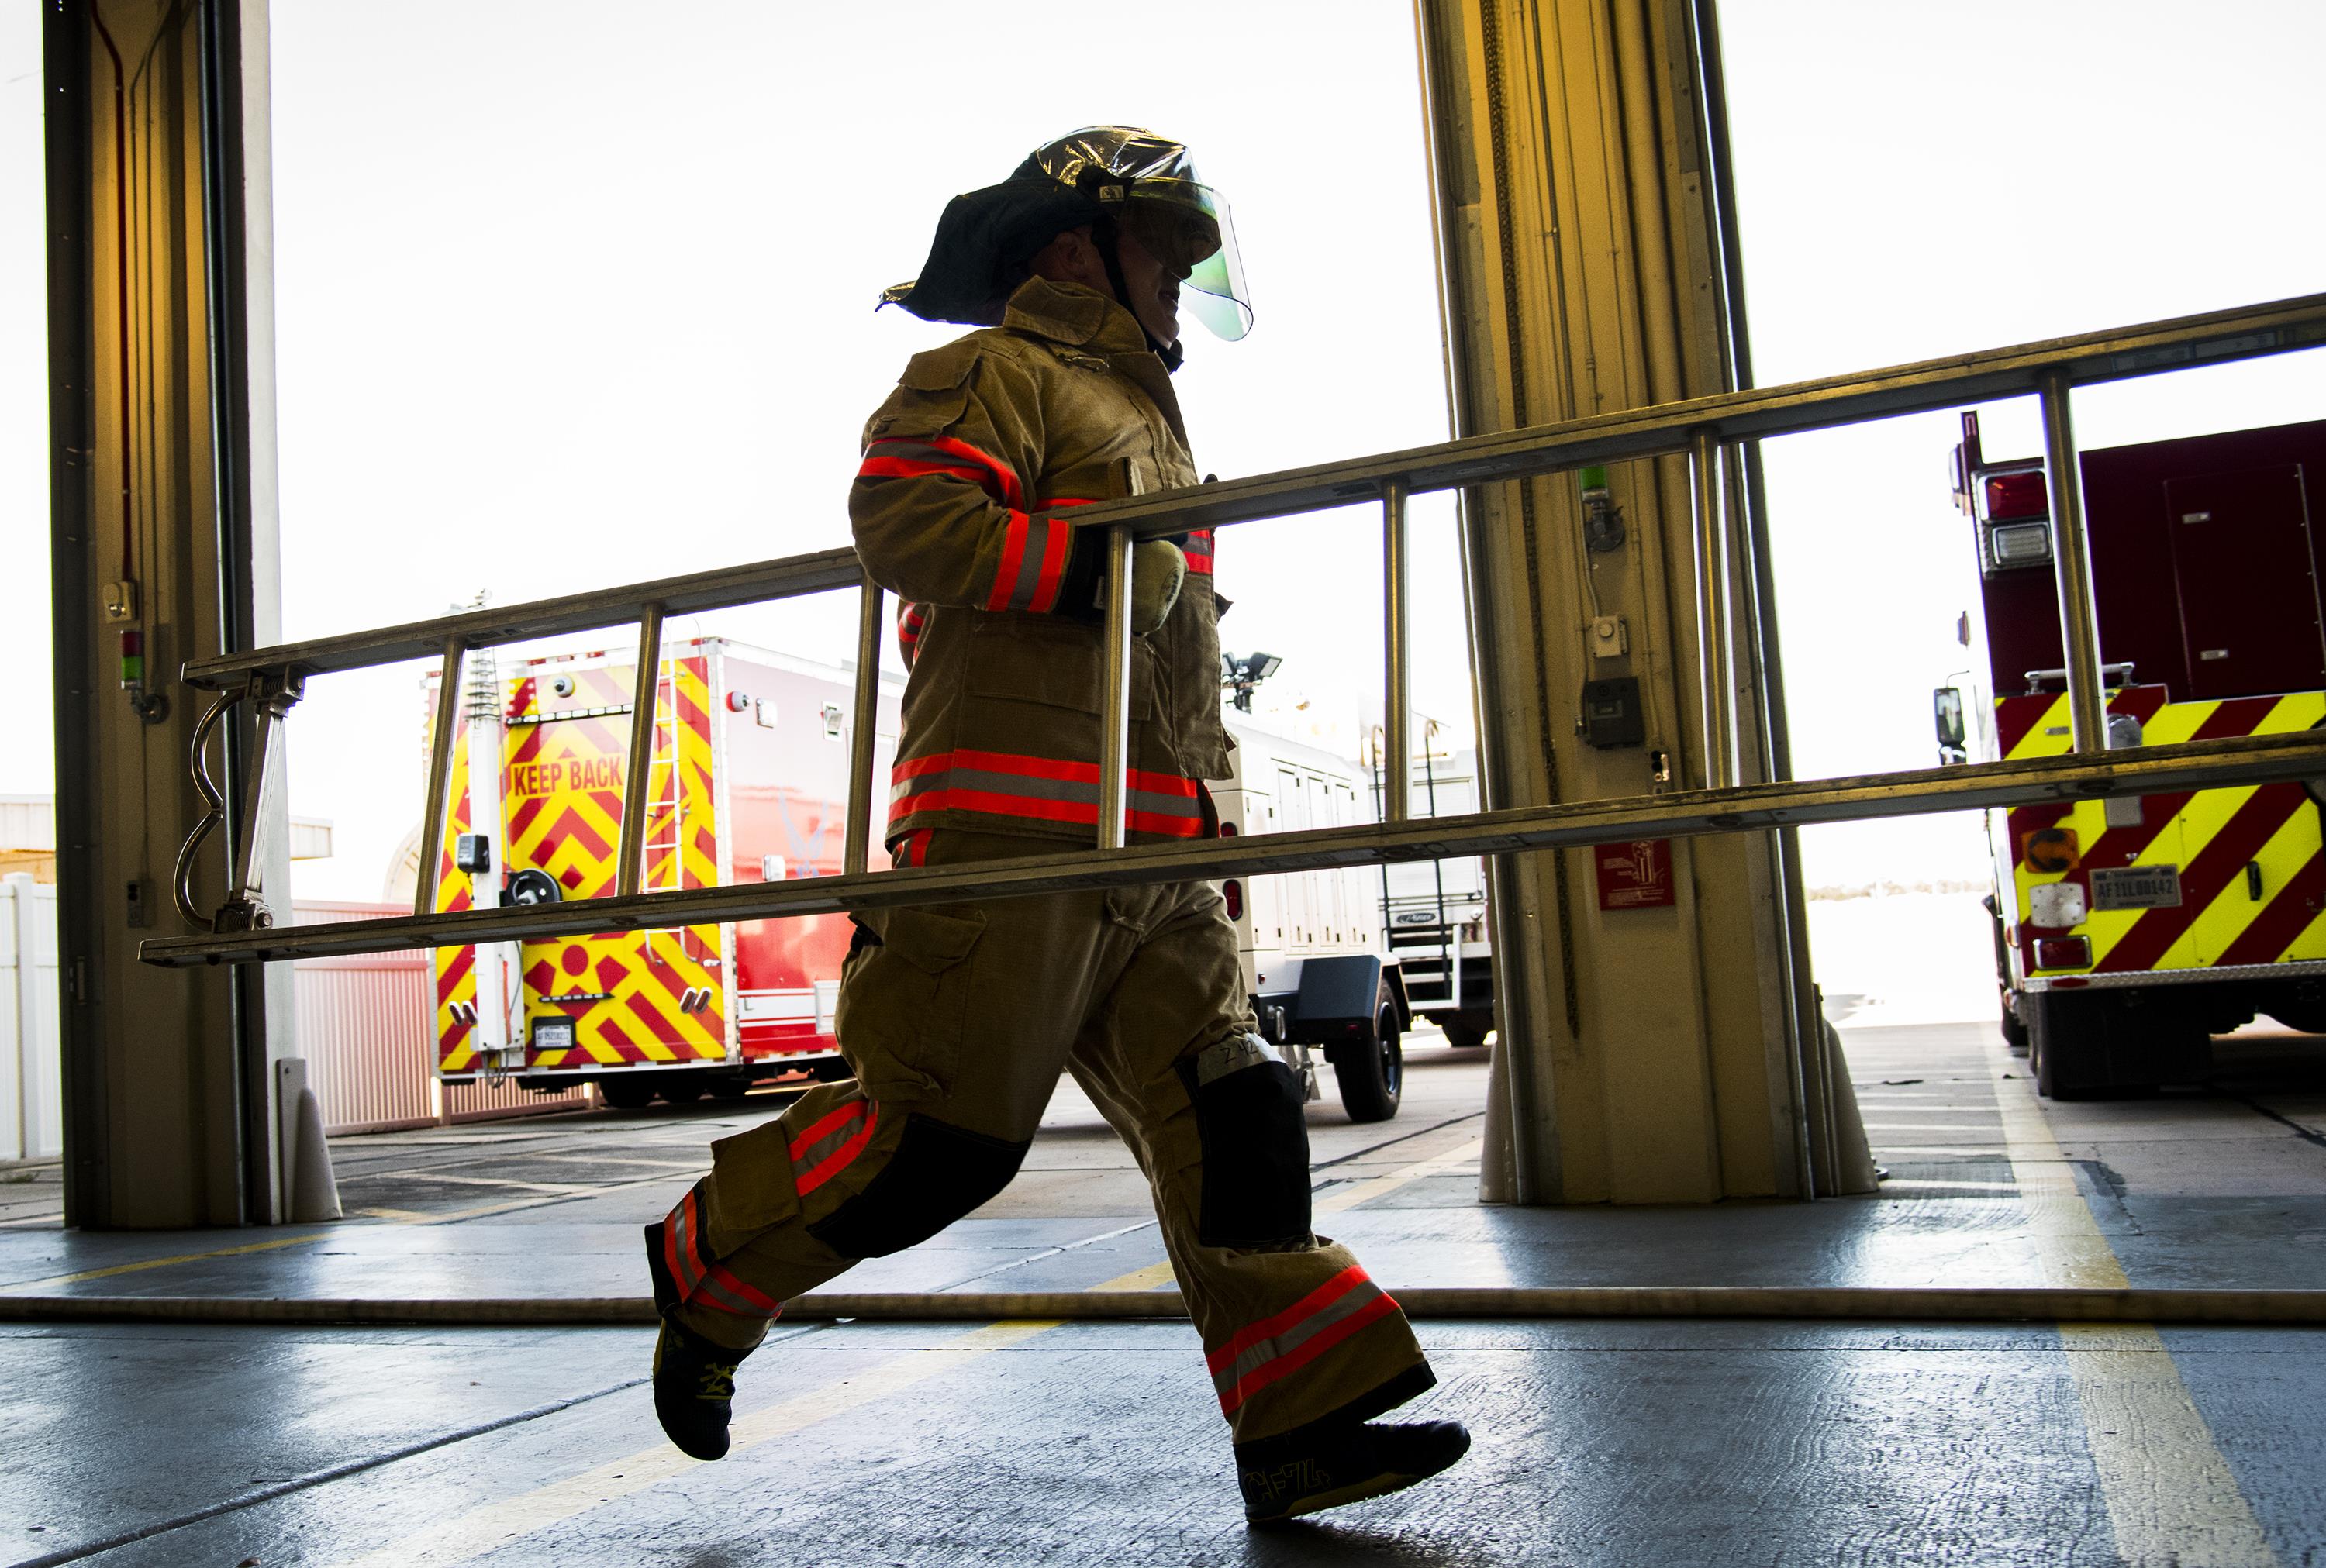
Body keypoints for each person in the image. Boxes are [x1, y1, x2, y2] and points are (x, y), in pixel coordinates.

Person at [642, 126, 1468, 1525]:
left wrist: (1208, 829)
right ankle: (716, 1259)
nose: (1178, 281)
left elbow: (1173, 660)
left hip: (1155, 858)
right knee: (938, 1144)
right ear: (1077, 248)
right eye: (1164, 251)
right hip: (1007, 838)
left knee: (1236, 1116)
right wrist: (1089, 569)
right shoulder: (991, 374)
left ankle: (1303, 1418)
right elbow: (903, 517)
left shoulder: (1149, 417)